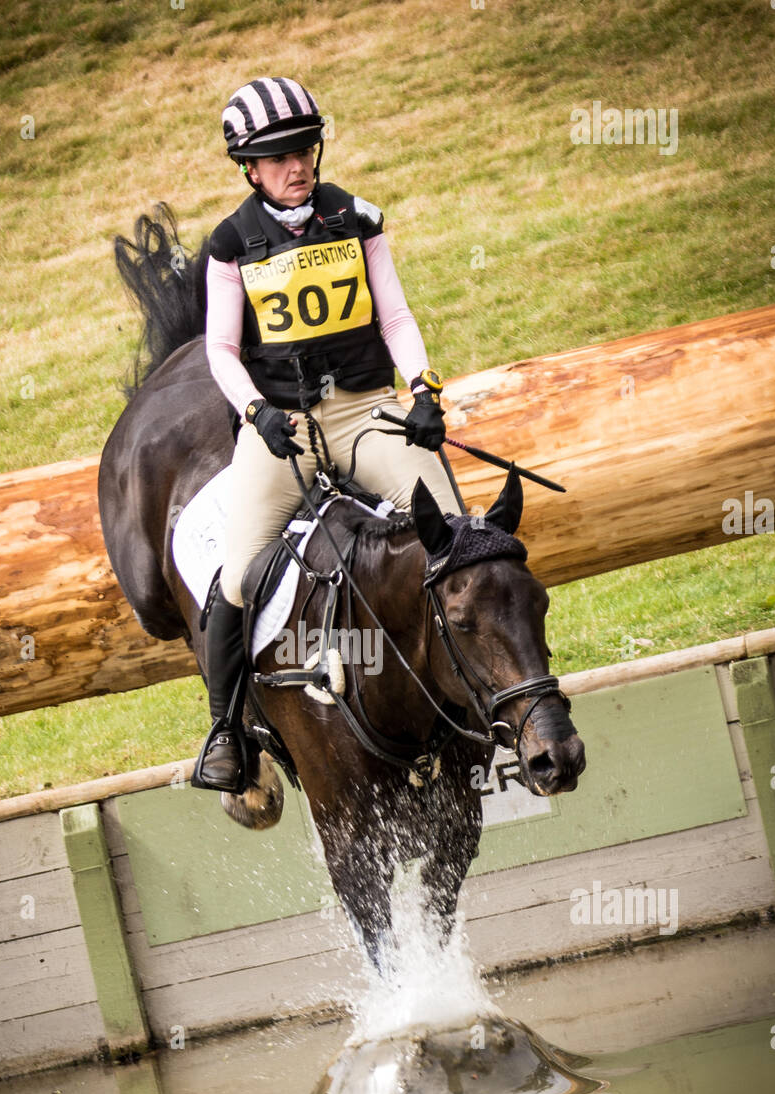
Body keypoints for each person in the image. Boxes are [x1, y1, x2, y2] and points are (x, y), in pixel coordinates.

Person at [194, 75, 460, 792]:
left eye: (304, 148)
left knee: (455, 535)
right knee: (240, 575)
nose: (297, 164)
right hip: (283, 429)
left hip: (367, 411)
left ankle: (469, 697)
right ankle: (225, 731)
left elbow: (395, 318)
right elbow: (221, 350)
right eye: (278, 157)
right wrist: (257, 413)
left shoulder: (357, 217)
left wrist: (424, 391)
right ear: (249, 169)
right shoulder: (230, 244)